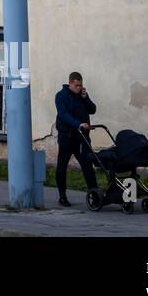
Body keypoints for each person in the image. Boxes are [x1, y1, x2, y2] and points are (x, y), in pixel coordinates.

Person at [54, 71, 99, 206]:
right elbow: (64, 115)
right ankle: (62, 196)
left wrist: (86, 98)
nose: (79, 88)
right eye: (76, 85)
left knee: (87, 165)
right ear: (70, 83)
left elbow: (92, 110)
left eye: (80, 85)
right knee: (62, 167)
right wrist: (78, 124)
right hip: (66, 137)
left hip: (82, 138)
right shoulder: (61, 96)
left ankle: (95, 194)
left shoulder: (82, 96)